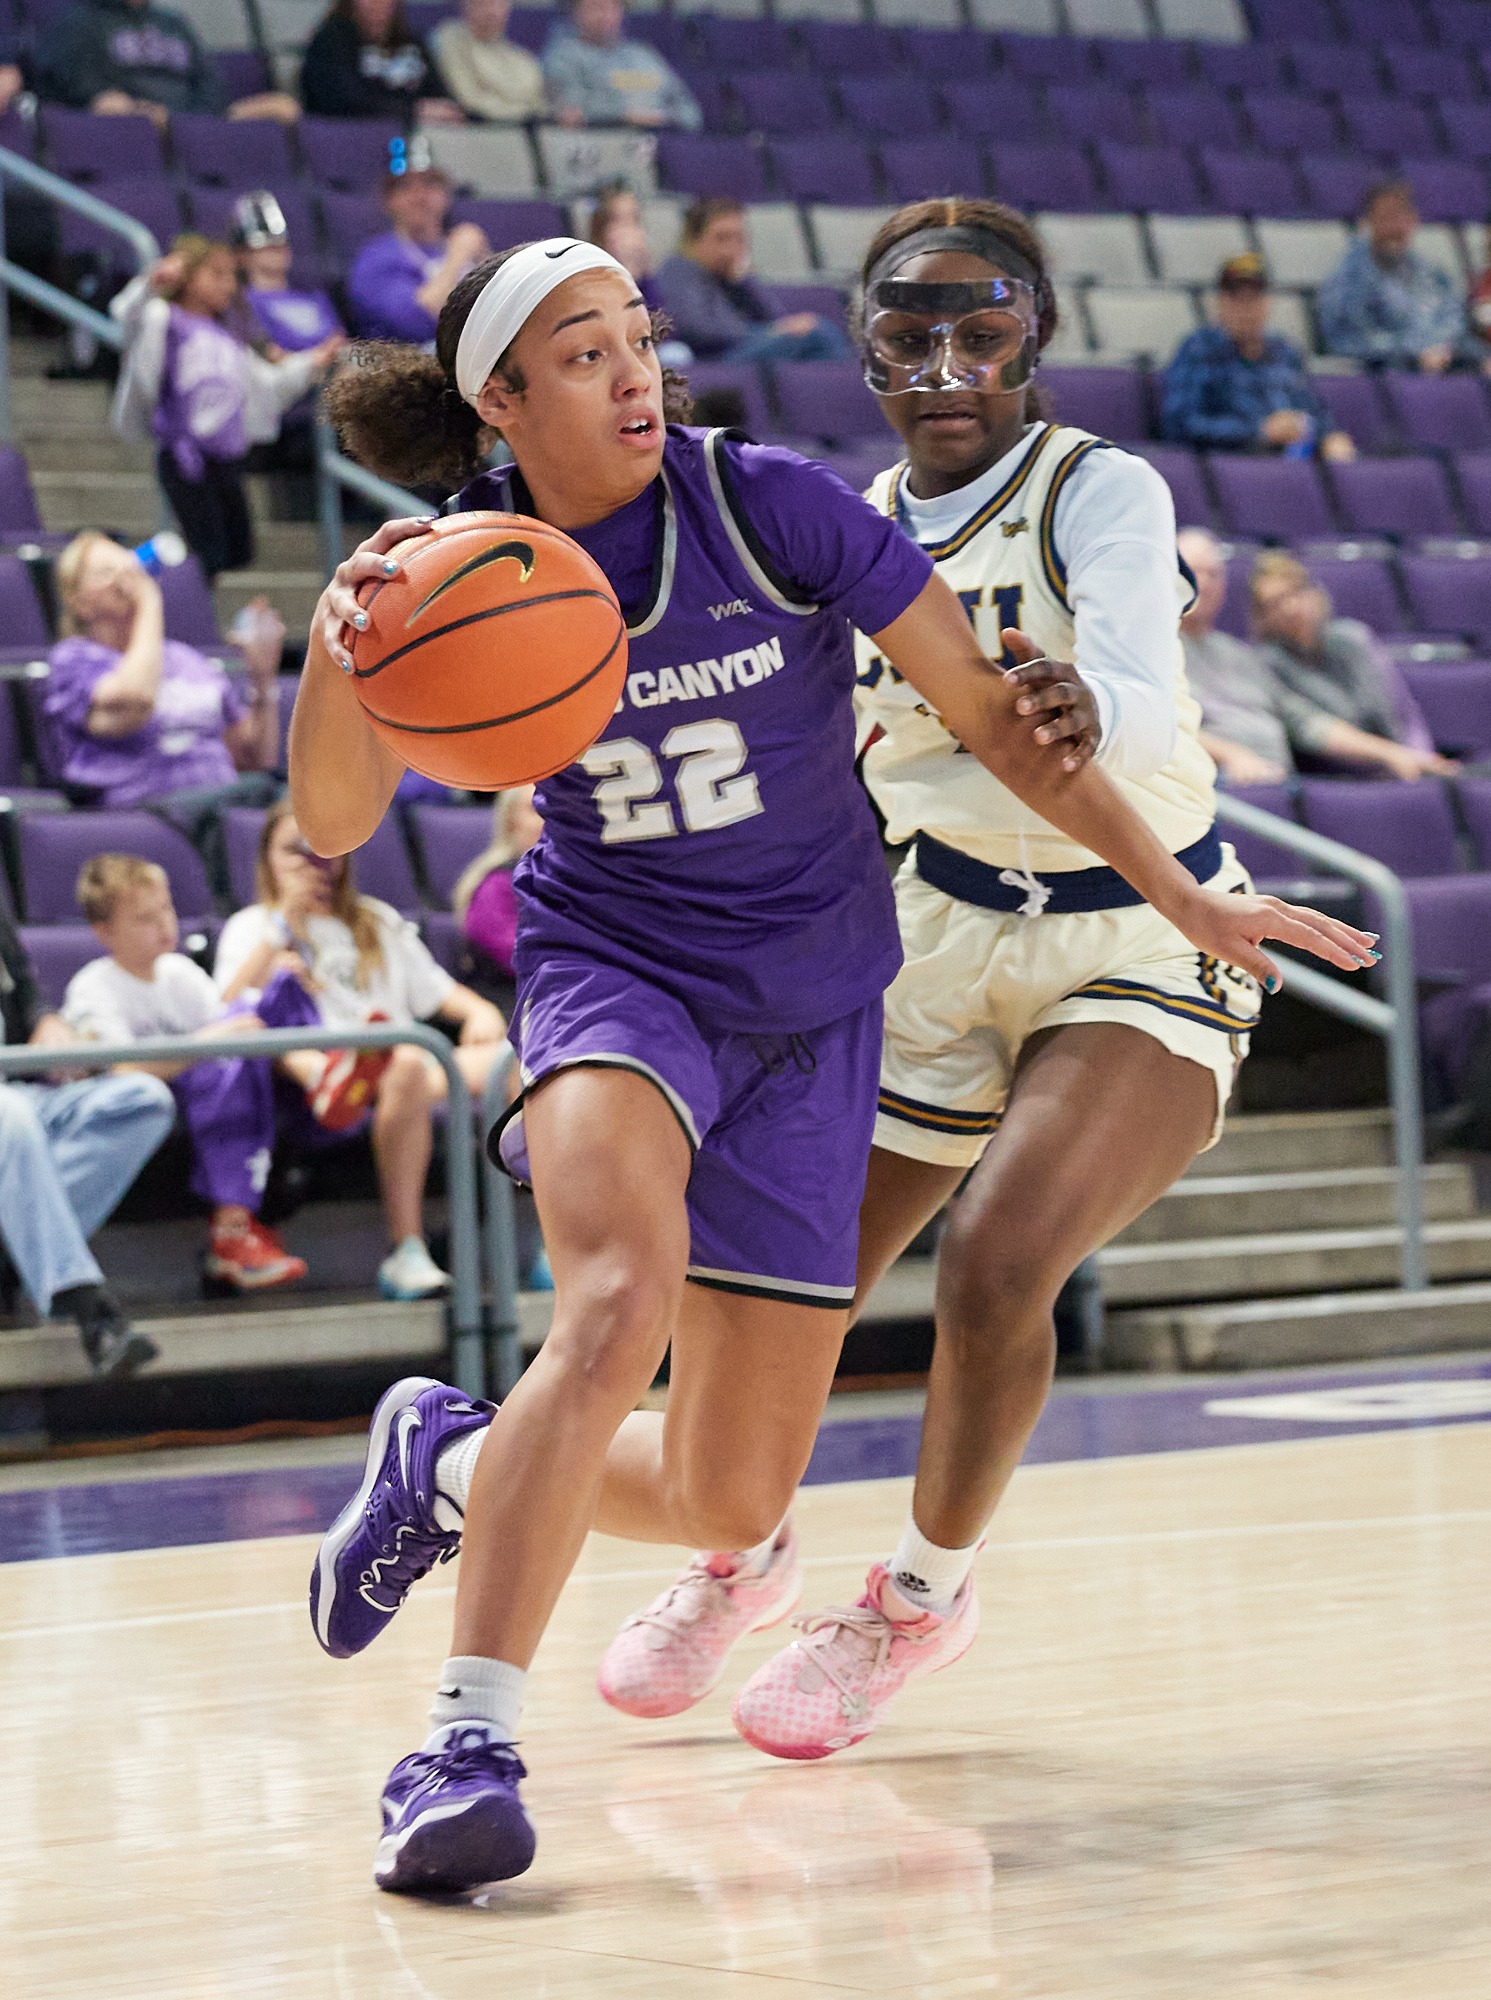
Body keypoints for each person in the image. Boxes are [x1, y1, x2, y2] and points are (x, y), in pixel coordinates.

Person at [298, 231, 1371, 1891]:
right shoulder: (455, 571)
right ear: (499, 399)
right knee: (609, 1306)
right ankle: (462, 1739)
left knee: (732, 1486)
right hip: (618, 976)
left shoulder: (775, 505)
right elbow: (333, 823)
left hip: (816, 1006)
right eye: (585, 353)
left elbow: (1009, 720)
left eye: (639, 335)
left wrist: (1182, 894)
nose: (636, 369)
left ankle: (446, 1452)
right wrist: (334, 638)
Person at [215, 798, 508, 1301]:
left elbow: (441, 995)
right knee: (408, 1062)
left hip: (400, 1065)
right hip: (321, 1070)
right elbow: (225, 1011)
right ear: (265, 858)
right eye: (295, 852)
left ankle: (556, 1247)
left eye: (326, 852)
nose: (315, 865)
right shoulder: (253, 926)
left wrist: (482, 1012)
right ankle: (406, 1251)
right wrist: (283, 923)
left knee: (518, 1064)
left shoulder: (376, 920)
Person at [63, 854, 313, 1292]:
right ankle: (232, 1235)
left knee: (256, 1010)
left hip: (195, 1092)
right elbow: (124, 1070)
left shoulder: (179, 972)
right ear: (105, 933)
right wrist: (212, 1041)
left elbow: (225, 1028)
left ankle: (326, 1073)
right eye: (144, 918)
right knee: (222, 1055)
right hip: (131, 1107)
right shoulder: (93, 986)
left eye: (166, 909)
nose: (163, 925)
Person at [0, 896, 173, 1377]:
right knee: (10, 1116)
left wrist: (48, 1025)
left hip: (15, 1090)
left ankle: (18, 1248)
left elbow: (26, 993)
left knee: (143, 1100)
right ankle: (89, 1309)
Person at [45, 532, 287, 875]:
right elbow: (138, 698)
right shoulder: (74, 660)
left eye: (126, 566)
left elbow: (254, 758)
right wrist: (149, 601)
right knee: (262, 803)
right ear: (79, 602)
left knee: (297, 803)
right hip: (146, 814)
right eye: (105, 573)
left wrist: (262, 680)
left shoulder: (187, 659)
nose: (125, 579)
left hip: (225, 801)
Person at [111, 235, 343, 577]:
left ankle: (159, 572)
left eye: (232, 276)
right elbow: (124, 316)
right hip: (184, 454)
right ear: (187, 277)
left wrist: (312, 362)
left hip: (224, 458)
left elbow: (269, 384)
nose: (228, 285)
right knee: (208, 553)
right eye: (216, 274)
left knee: (238, 549)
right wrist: (151, 283)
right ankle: (148, 573)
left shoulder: (230, 339)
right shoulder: (164, 319)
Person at [1250, 552, 1456, 780]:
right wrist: (1394, 755)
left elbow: (1402, 712)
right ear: (1262, 617)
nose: (1290, 607)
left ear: (1315, 593)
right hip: (1340, 780)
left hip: (1403, 764)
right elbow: (1310, 728)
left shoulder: (1353, 638)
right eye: (1274, 603)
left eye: (1294, 593)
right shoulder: (1266, 664)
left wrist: (1420, 757)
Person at [1162, 254, 1355, 461]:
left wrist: (1329, 437)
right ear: (1220, 303)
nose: (1247, 309)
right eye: (1237, 299)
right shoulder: (1198, 351)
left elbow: (1315, 412)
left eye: (1254, 299)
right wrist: (1259, 430)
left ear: (1266, 303)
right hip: (1237, 468)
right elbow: (1181, 424)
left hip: (1297, 463)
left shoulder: (1285, 352)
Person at [656, 199, 854, 365]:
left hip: (745, 349)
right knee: (817, 334)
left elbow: (775, 317)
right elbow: (699, 329)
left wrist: (745, 282)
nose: (731, 248)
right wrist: (769, 332)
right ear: (693, 240)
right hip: (713, 361)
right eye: (721, 238)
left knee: (819, 343)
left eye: (739, 238)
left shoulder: (732, 277)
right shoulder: (679, 269)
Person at [1318, 179, 1483, 374]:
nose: (1394, 228)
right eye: (1385, 217)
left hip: (1449, 367)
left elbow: (1455, 323)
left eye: (1401, 217)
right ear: (1367, 221)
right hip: (1392, 375)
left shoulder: (1432, 273)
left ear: (1414, 220)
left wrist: (1465, 354)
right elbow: (1348, 341)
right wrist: (1414, 355)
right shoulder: (1347, 278)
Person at [38, 0, 297, 124]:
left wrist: (188, 119)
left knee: (283, 107)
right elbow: (92, 92)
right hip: (134, 128)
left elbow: (211, 84)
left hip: (192, 121)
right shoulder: (79, 23)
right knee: (113, 107)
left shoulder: (174, 23)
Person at [346, 160, 488, 344]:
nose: (419, 197)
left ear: (446, 195)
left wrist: (484, 260)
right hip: (410, 359)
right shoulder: (376, 258)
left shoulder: (467, 246)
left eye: (430, 185)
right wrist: (458, 257)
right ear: (388, 201)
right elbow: (414, 322)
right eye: (405, 187)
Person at [453, 783, 542, 1020]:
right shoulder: (494, 885)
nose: (547, 818)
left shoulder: (576, 880)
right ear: (511, 823)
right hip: (508, 1009)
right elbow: (522, 957)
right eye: (535, 809)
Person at [543, 0, 700, 131]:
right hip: (608, 143)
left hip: (665, 142)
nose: (606, 15)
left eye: (613, 7)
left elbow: (690, 112)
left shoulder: (643, 54)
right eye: (596, 8)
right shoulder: (562, 57)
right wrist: (627, 117)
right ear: (575, 14)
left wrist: (666, 119)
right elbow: (574, 113)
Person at [299, 0, 461, 125]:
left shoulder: (412, 42)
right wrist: (413, 111)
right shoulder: (330, 41)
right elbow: (344, 103)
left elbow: (440, 96)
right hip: (351, 139)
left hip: (420, 137)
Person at [431, 0, 545, 124]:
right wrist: (528, 114)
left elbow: (538, 104)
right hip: (475, 133)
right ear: (465, 6)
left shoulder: (522, 59)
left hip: (525, 133)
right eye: (482, 4)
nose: (492, 12)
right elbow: (471, 102)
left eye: (498, 4)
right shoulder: (449, 40)